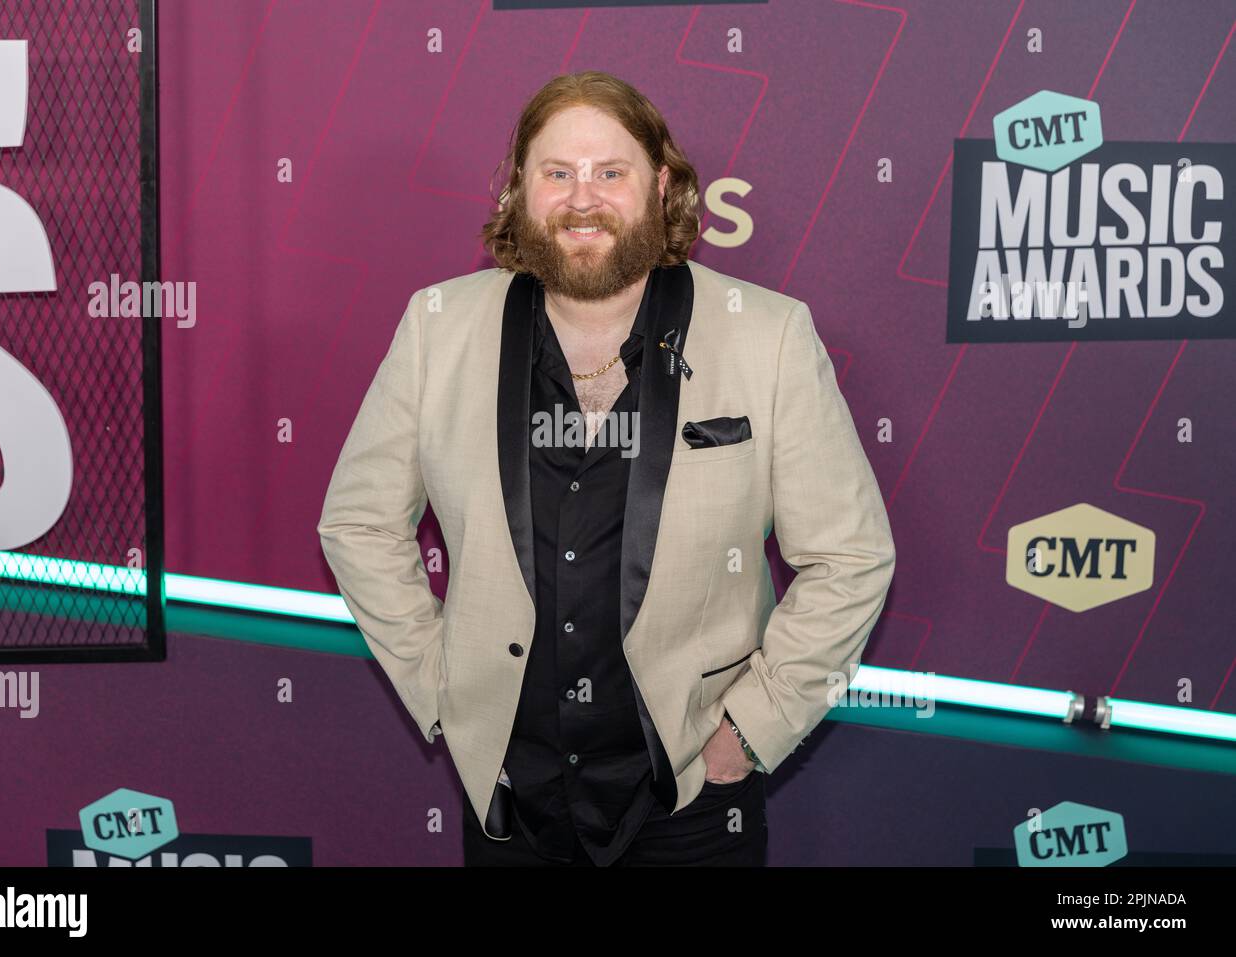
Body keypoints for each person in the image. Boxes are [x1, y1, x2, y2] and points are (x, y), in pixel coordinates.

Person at [317, 70, 896, 867]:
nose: (582, 199)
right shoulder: (438, 328)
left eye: (609, 173)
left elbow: (852, 555)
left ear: (661, 186)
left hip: (693, 799)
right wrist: (441, 686)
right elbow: (356, 520)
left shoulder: (769, 335)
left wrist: (752, 730)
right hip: (511, 802)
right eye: (557, 173)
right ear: (520, 189)